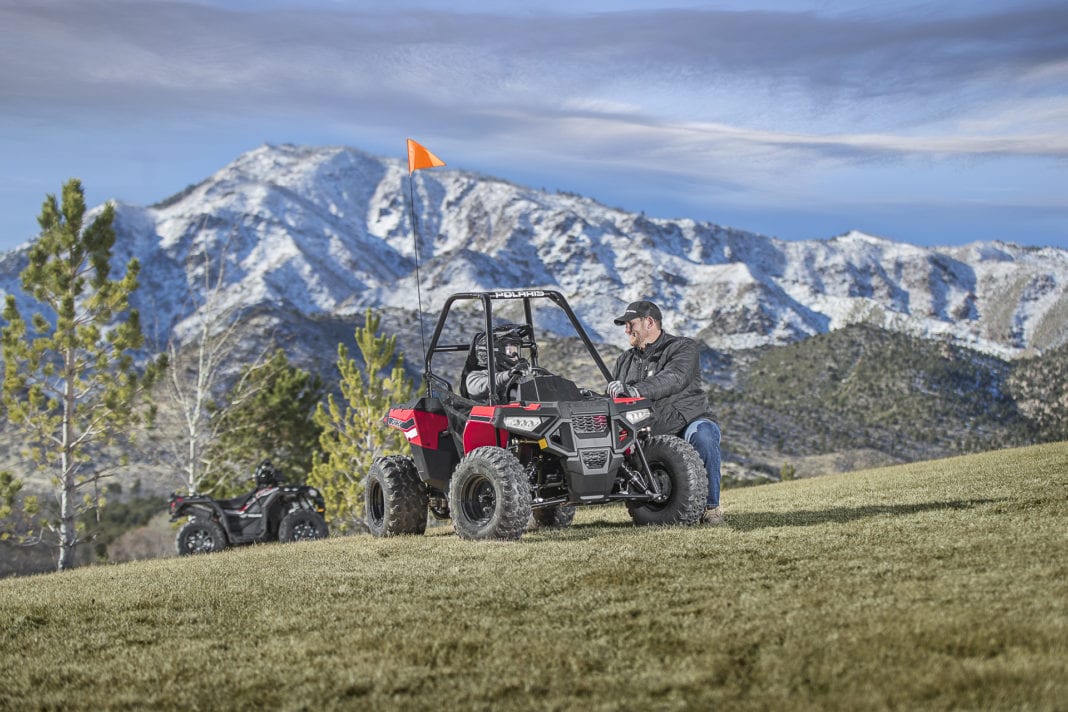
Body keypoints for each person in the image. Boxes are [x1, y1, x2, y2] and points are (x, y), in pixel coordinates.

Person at [608, 300, 724, 525]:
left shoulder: (683, 347)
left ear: (649, 322)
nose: (626, 330)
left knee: (704, 436)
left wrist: (634, 390)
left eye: (630, 324)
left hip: (686, 422)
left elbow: (675, 378)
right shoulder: (624, 361)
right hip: (644, 431)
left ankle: (711, 509)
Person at [463, 325, 528, 401]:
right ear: (493, 353)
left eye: (517, 351)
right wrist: (509, 374)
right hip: (486, 412)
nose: (516, 357)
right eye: (510, 352)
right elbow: (488, 384)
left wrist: (528, 374)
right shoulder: (474, 377)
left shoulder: (516, 376)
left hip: (515, 411)